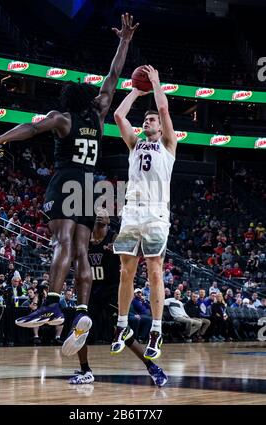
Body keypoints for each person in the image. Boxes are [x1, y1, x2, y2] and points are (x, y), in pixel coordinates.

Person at [0, 13, 139, 357]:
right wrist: (124, 41)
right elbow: (112, 76)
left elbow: (31, 129)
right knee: (81, 251)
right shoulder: (99, 112)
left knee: (61, 241)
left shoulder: (61, 118)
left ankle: (51, 302)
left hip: (66, 180)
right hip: (90, 186)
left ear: (66, 101)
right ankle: (81, 310)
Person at [111, 65, 177, 360]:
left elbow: (163, 108)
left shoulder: (168, 145)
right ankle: (122, 325)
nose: (147, 121)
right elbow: (118, 116)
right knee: (126, 271)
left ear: (160, 127)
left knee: (154, 272)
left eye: (151, 120)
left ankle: (157, 330)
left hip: (155, 214)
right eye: (145, 119)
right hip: (132, 212)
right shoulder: (135, 144)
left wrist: (156, 82)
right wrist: (136, 91)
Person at [69, 210, 168, 387]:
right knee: (80, 328)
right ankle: (85, 371)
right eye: (96, 212)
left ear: (109, 220)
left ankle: (152, 367)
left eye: (103, 213)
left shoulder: (116, 238)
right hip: (91, 291)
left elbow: (130, 265)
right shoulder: (84, 240)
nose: (99, 214)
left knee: (124, 333)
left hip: (112, 291)